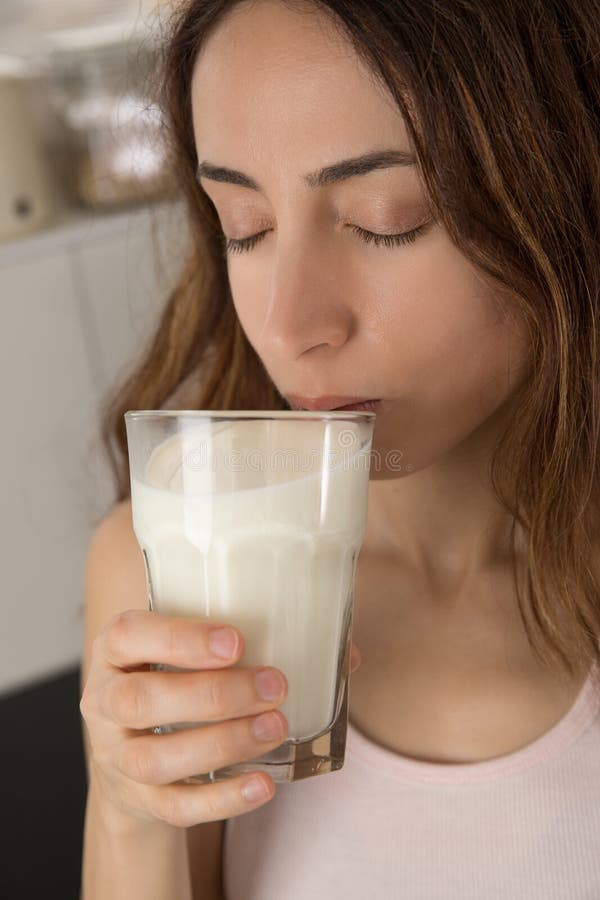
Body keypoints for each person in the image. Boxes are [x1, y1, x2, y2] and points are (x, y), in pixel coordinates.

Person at [79, 0, 600, 897]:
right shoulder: (171, 571)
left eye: (384, 219)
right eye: (244, 225)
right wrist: (129, 813)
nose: (288, 325)